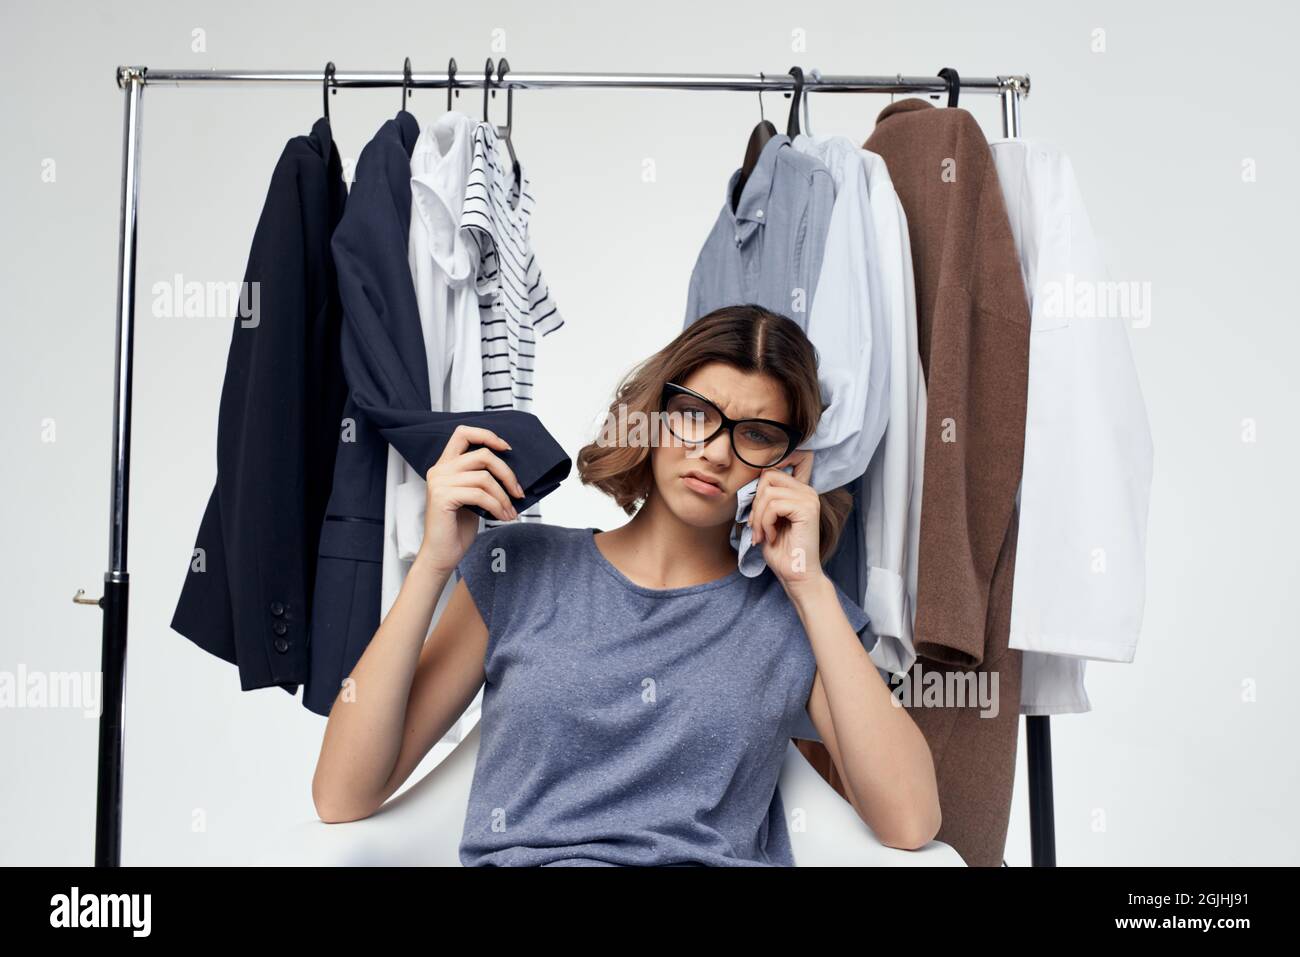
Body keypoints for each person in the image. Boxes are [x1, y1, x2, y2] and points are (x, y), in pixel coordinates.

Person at [311, 303, 940, 865]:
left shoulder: (796, 617)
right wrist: (432, 565)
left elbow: (910, 823)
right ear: (654, 417)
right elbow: (342, 794)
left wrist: (807, 587)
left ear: (789, 464)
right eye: (697, 416)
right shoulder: (519, 569)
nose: (717, 454)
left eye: (755, 434)